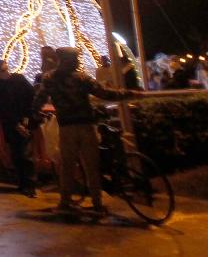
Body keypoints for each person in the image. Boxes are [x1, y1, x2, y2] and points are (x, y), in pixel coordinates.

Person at [32, 47, 139, 215]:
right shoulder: (82, 78)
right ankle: (97, 202)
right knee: (92, 166)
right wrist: (130, 94)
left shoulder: (49, 79)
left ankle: (65, 202)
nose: (77, 62)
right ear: (70, 60)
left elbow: (39, 100)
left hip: (67, 127)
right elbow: (105, 93)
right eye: (75, 59)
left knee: (67, 166)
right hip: (86, 125)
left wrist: (34, 114)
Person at [0, 60, 37, 197]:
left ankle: (29, 185)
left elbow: (31, 97)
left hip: (22, 122)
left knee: (25, 154)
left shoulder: (18, 80)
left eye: (6, 70)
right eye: (2, 71)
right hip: (11, 124)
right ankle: (22, 183)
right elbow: (1, 109)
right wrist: (16, 124)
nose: (5, 73)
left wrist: (26, 118)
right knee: (17, 153)